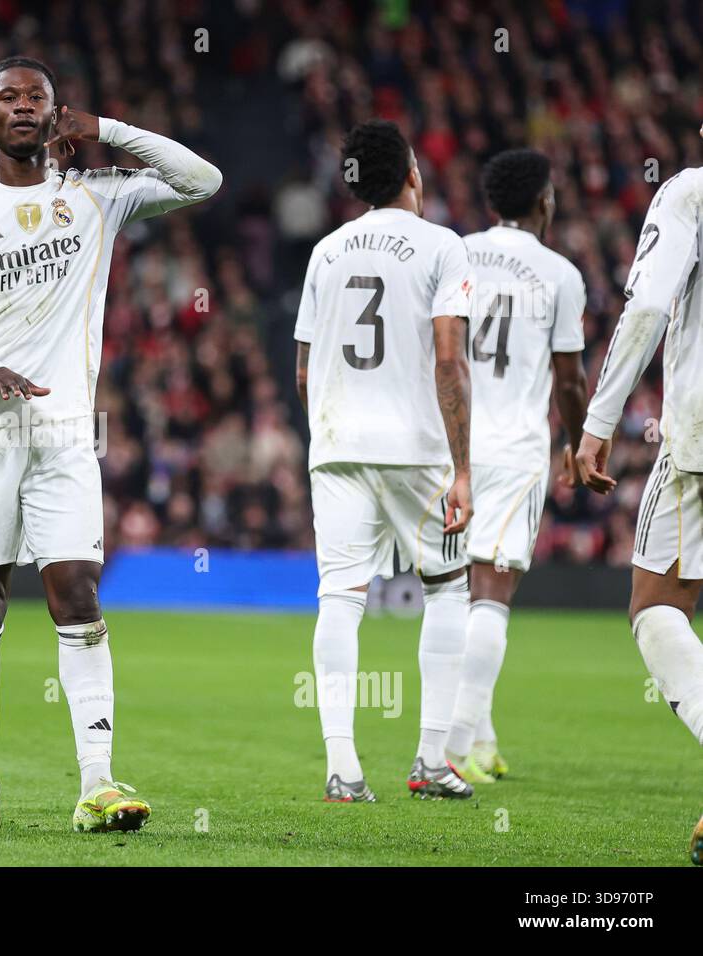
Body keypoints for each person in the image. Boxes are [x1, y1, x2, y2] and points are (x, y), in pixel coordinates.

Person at [0, 56, 221, 832]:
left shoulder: (95, 196)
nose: (22, 108)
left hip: (68, 433)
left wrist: (107, 130)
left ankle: (98, 784)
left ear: (55, 111)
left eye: (35, 97)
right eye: (6, 98)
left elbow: (203, 180)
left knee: (77, 594)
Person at [295, 119, 474, 802]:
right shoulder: (443, 246)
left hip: (337, 445)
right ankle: (430, 761)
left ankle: (342, 769)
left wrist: (329, 440)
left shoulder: (325, 252)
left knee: (338, 599)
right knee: (448, 586)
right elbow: (450, 360)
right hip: (416, 446)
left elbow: (306, 373)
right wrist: (462, 468)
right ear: (412, 177)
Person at [574, 140, 703, 865]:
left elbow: (650, 301)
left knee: (657, 608)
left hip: (697, 436)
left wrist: (598, 422)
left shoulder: (689, 191)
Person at [444, 149, 589, 784]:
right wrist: (581, 443)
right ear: (543, 203)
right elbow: (570, 379)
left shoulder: (456, 251)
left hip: (450, 446)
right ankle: (446, 752)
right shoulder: (560, 273)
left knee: (457, 595)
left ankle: (480, 741)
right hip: (516, 449)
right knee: (494, 595)